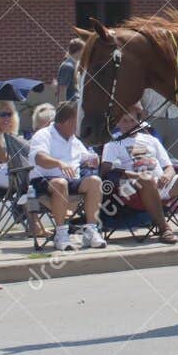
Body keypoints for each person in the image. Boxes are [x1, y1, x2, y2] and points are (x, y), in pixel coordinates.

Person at [100, 104, 178, 244]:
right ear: (118, 122)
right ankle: (164, 229)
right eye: (124, 121)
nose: (128, 124)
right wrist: (134, 175)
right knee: (147, 179)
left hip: (159, 183)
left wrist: (167, 175)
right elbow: (105, 170)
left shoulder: (152, 140)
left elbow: (169, 167)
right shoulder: (112, 143)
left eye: (132, 121)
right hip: (129, 189)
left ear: (138, 122)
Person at [28, 101, 106, 250]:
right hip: (44, 180)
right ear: (68, 121)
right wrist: (59, 163)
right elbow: (39, 158)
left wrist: (93, 159)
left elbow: (86, 157)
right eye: (78, 119)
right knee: (60, 183)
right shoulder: (44, 134)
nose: (80, 123)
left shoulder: (74, 139)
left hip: (72, 180)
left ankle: (91, 230)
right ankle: (61, 234)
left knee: (94, 181)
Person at [55, 38, 83, 103]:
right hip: (70, 106)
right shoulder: (68, 66)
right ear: (78, 51)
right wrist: (63, 109)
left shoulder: (73, 65)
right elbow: (63, 90)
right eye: (83, 50)